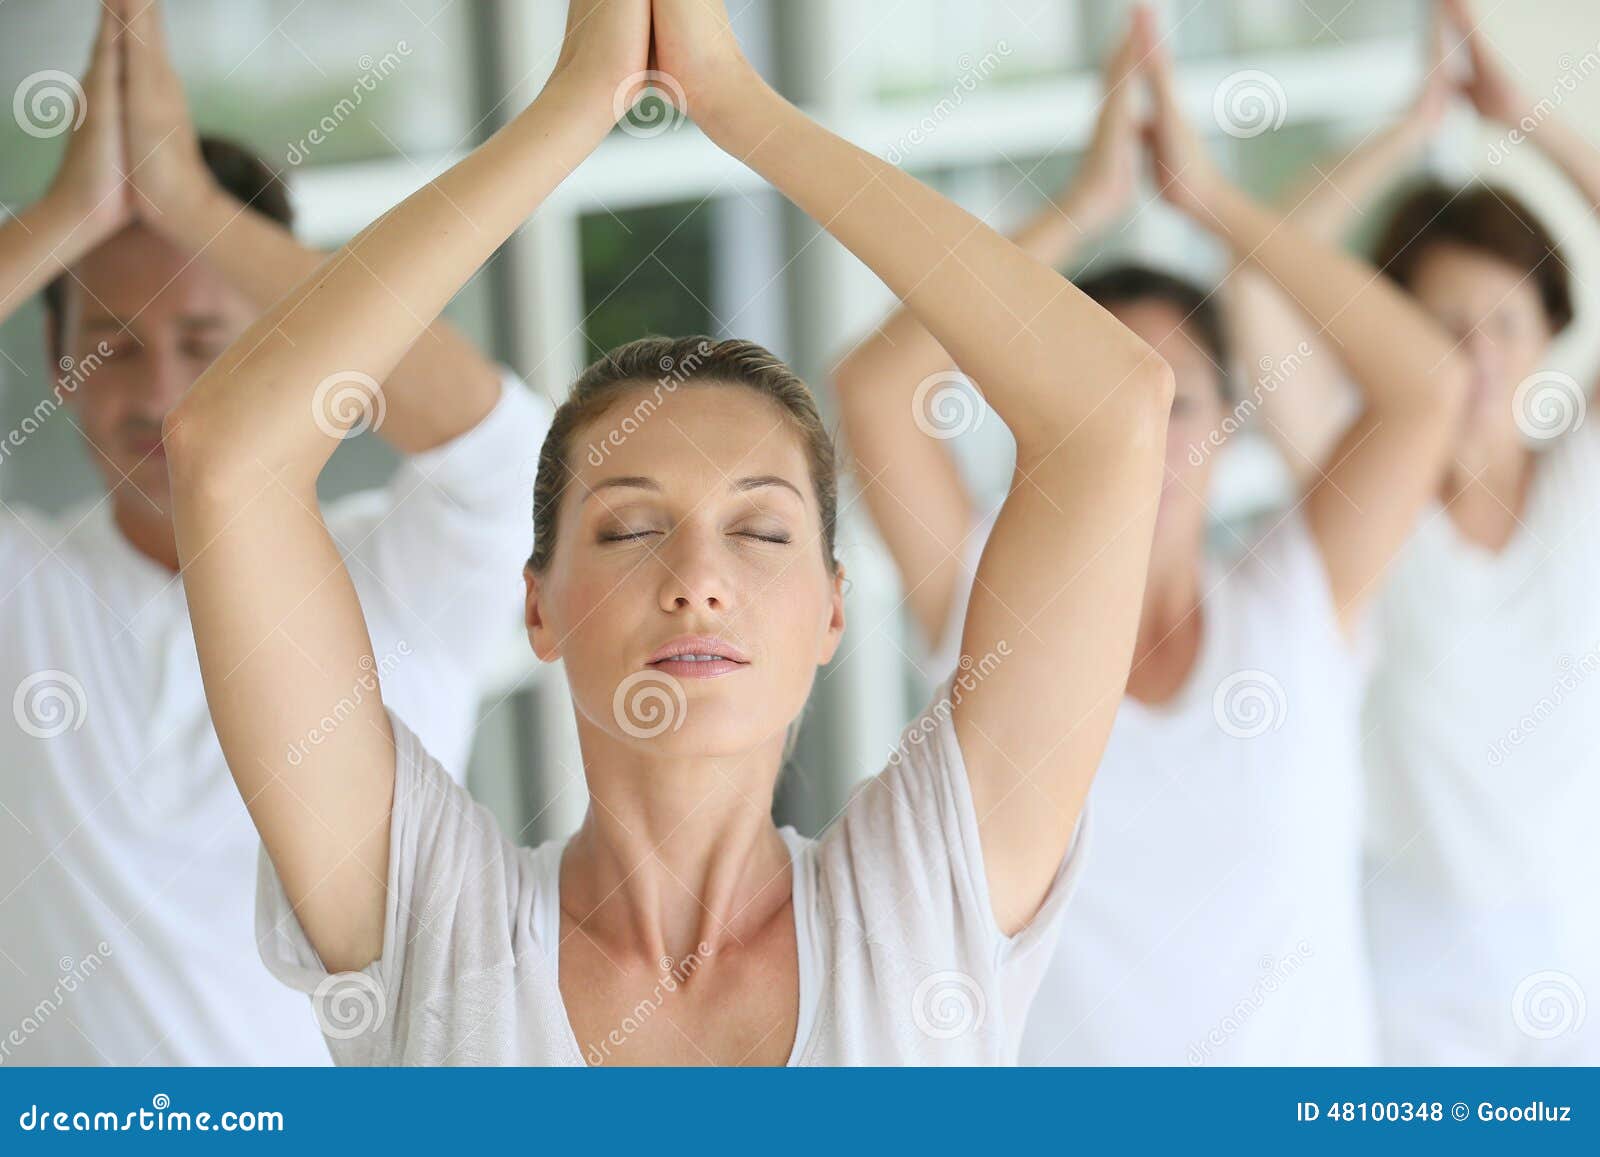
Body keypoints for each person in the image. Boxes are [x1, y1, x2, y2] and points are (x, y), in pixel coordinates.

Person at [165, 0, 1175, 1065]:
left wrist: (741, 107)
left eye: (760, 531)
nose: (697, 578)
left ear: (832, 607)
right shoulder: (429, 923)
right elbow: (229, 461)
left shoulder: (924, 907)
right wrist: (567, 112)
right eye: (631, 527)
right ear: (538, 606)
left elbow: (1107, 412)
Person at [832, 9, 1469, 1065]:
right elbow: (873, 389)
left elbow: (1425, 387)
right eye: (1104, 403)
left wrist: (1209, 201)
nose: (1141, 441)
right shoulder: (990, 606)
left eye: (1172, 402)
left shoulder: (1295, 599)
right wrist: (1078, 207)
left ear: (1225, 423)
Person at [0, 1, 548, 1064]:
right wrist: (66, 214)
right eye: (111, 346)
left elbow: (500, 445)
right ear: (57, 367)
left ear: (289, 351)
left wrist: (191, 203)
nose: (160, 394)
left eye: (206, 339)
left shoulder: (397, 573)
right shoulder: (25, 584)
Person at [1236, 0, 1600, 1063]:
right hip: (1407, 977)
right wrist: (1406, 128)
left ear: (1546, 338)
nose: (1479, 358)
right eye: (1444, 329)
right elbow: (1259, 273)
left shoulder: (1580, 477)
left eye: (1505, 325)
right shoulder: (1361, 488)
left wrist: (1522, 117)